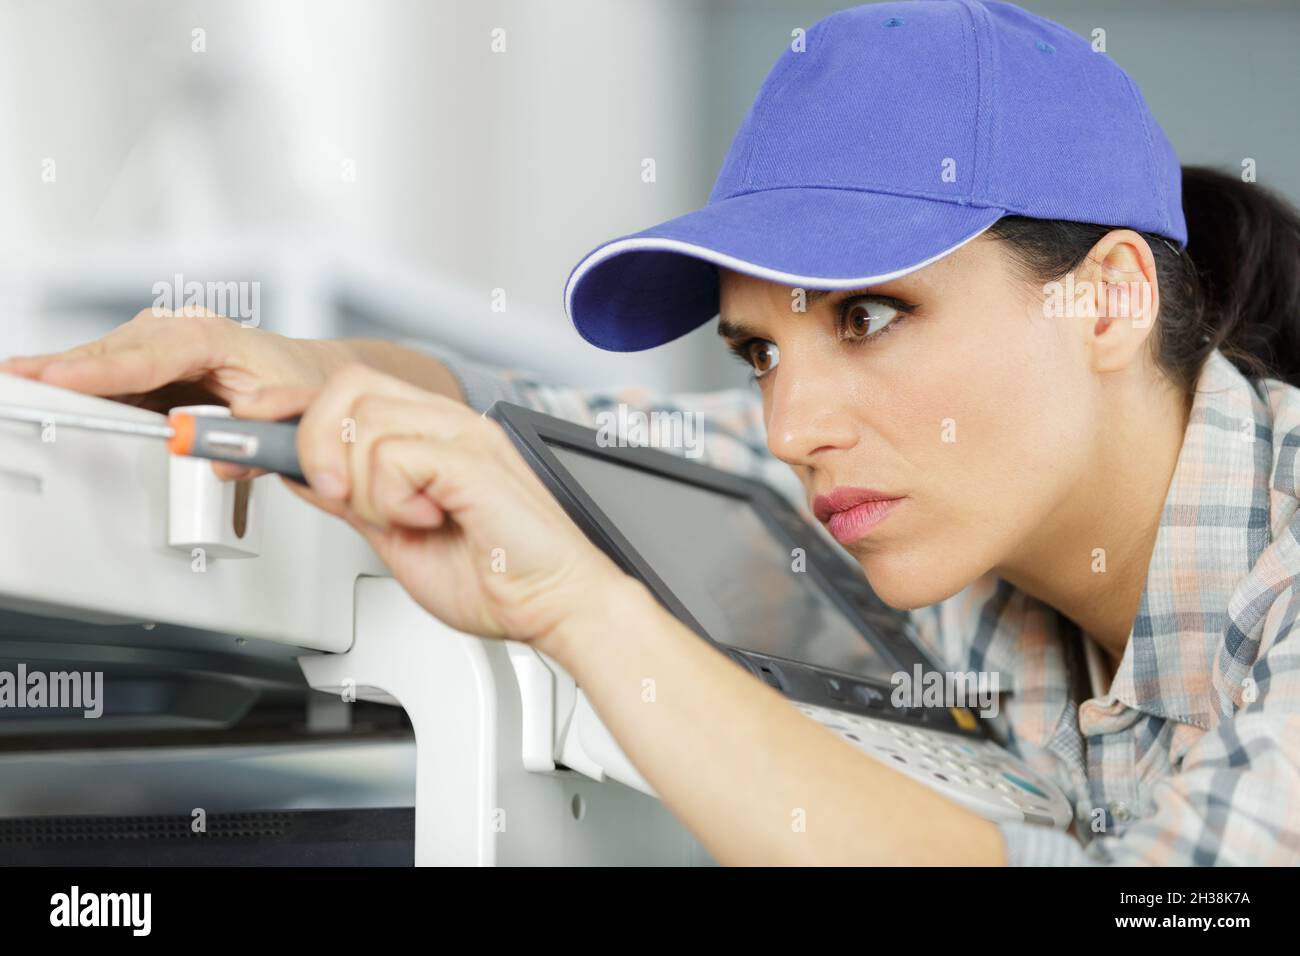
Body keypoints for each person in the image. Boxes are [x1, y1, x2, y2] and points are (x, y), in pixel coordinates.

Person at [4, 0, 1300, 865]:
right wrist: (310, 367)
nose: (792, 427)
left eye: (868, 317)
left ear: (1110, 298)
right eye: (759, 352)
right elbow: (531, 434)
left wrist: (582, 610)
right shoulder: (913, 494)